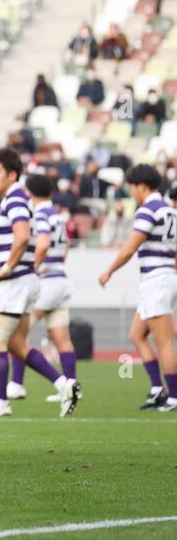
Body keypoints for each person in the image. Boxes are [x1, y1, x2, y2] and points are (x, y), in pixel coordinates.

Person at [0, 147, 81, 418]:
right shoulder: (18, 198)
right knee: (17, 344)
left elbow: (22, 236)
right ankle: (64, 384)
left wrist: (6, 268)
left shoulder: (15, 198)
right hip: (28, 280)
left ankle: (0, 402)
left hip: (14, 281)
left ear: (12, 174)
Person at [98, 166, 177, 411]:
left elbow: (130, 247)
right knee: (137, 334)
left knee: (164, 341)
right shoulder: (169, 211)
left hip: (156, 278)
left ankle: (174, 396)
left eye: (132, 187)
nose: (131, 192)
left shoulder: (148, 210)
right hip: (165, 275)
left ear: (142, 186)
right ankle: (158, 390)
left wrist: (109, 270)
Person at [8, 174, 77, 403]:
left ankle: (16, 385)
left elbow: (43, 242)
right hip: (61, 279)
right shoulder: (57, 214)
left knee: (17, 334)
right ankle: (70, 385)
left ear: (29, 192)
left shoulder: (40, 213)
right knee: (62, 338)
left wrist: (33, 267)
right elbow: (65, 245)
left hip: (46, 281)